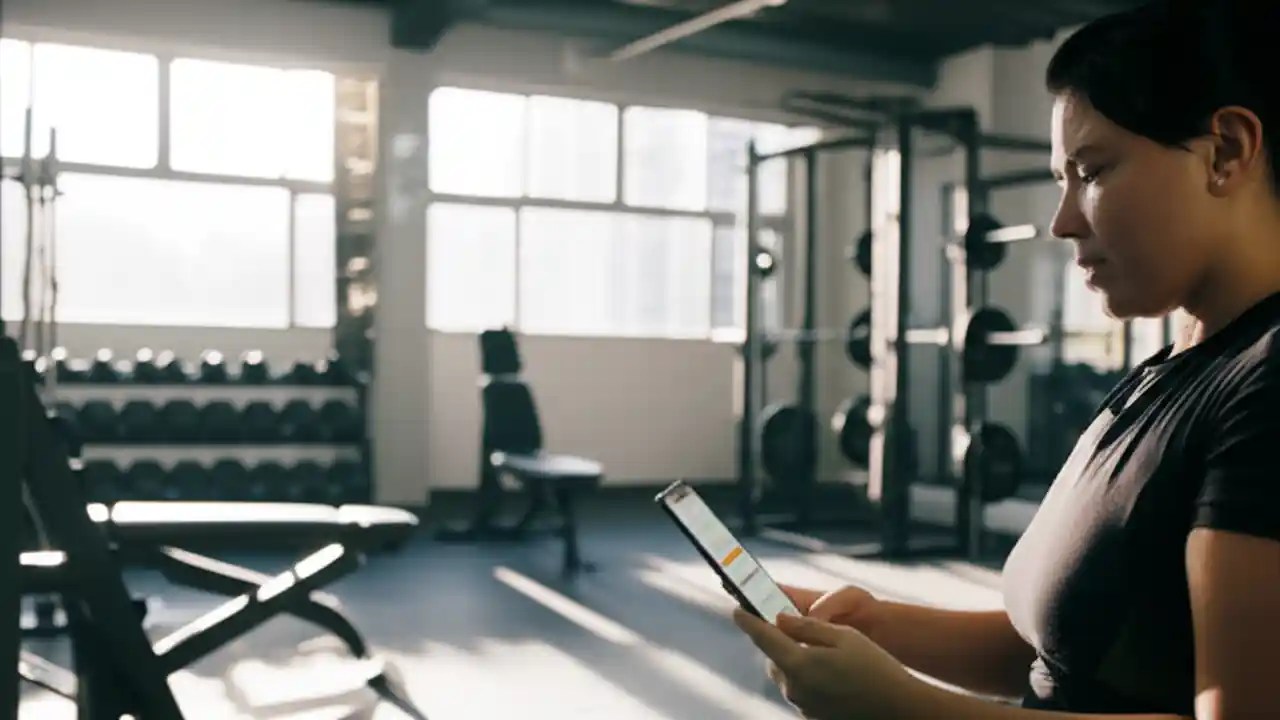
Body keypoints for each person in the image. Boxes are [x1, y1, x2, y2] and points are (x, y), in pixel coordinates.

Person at [732, 1, 1280, 718]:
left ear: (1227, 151)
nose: (1063, 220)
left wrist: (902, 708)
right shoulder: (1176, 366)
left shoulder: (1267, 387)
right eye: (1061, 180)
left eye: (1092, 170)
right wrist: (881, 627)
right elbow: (1070, 650)